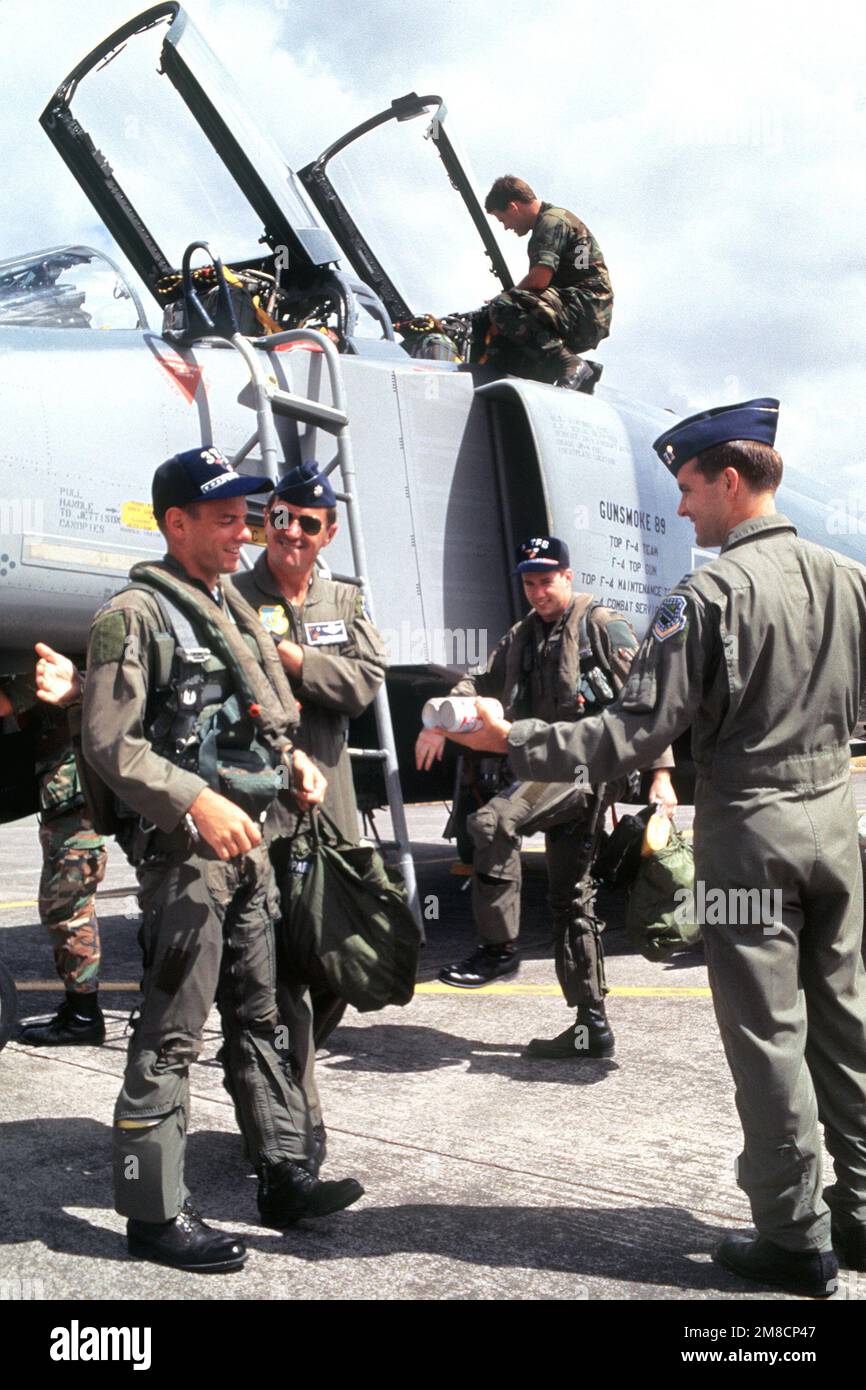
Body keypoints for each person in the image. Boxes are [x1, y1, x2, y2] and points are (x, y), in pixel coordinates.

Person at [445, 399, 866, 1298]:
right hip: (837, 832)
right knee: (846, 1022)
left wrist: (508, 739)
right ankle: (863, 1212)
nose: (681, 511)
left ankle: (795, 1238)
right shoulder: (846, 578)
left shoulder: (703, 598)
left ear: (729, 480)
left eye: (687, 489)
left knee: (767, 1036)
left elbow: (633, 734)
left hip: (749, 842)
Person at [81, 445, 364, 1272]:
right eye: (227, 518)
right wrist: (193, 800)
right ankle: (152, 1212)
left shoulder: (228, 607)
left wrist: (294, 761)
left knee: (264, 1018)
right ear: (177, 523)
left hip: (255, 850)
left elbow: (264, 714)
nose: (246, 531)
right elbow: (108, 742)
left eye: (249, 515)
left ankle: (283, 1173)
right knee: (171, 1034)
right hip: (189, 859)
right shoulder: (133, 615)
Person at [416, 536, 676, 1059]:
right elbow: (478, 680)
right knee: (569, 898)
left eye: (546, 580)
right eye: (530, 582)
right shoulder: (521, 636)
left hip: (585, 768)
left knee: (493, 822)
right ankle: (590, 1025)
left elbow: (646, 702)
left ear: (568, 577)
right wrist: (437, 719)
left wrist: (662, 774)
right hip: (543, 766)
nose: (538, 591)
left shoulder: (601, 625)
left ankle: (498, 949)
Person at [229, 459, 387, 1164]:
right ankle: (296, 1127)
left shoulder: (346, 602)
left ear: (329, 532)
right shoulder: (234, 595)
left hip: (331, 807)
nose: (291, 533)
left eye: (307, 524)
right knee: (275, 974)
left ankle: (278, 1081)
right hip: (261, 807)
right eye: (280, 519)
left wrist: (291, 658)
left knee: (335, 964)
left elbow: (363, 686)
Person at [1, 652, 108, 1045]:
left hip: (77, 815)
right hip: (66, 811)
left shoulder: (41, 675)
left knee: (69, 911)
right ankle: (78, 1008)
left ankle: (83, 1016)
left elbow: (5, 703)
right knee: (62, 908)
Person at [483, 175, 613, 391]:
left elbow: (539, 278)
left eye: (502, 219)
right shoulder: (560, 218)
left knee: (503, 306)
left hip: (584, 308)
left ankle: (569, 363)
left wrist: (502, 303)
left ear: (513, 207)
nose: (506, 227)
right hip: (588, 309)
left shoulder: (550, 223)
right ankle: (574, 369)